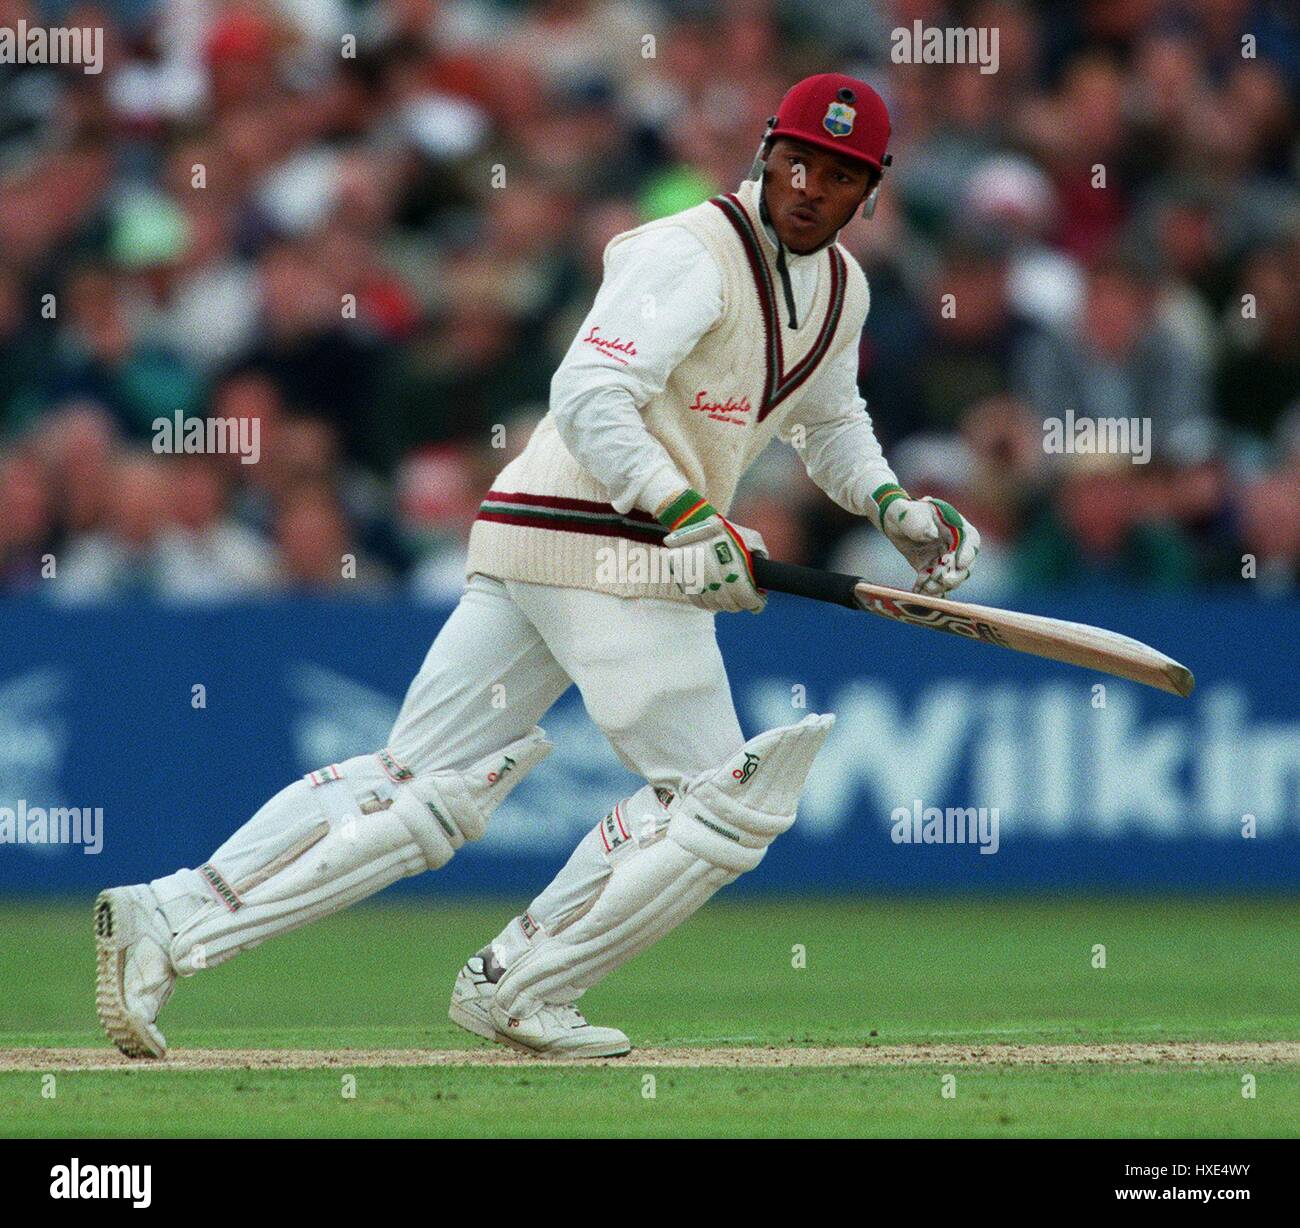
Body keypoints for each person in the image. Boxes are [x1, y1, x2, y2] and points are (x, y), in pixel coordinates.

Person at [95, 74, 980, 1060]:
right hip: (603, 538)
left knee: (416, 783)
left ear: (873, 191)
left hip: (559, 534)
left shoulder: (842, 289)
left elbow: (829, 420)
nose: (811, 187)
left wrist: (892, 506)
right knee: (721, 800)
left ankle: (166, 915)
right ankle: (520, 980)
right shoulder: (688, 251)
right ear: (766, 153)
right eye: (798, 162)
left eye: (841, 175)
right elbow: (590, 391)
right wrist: (686, 509)